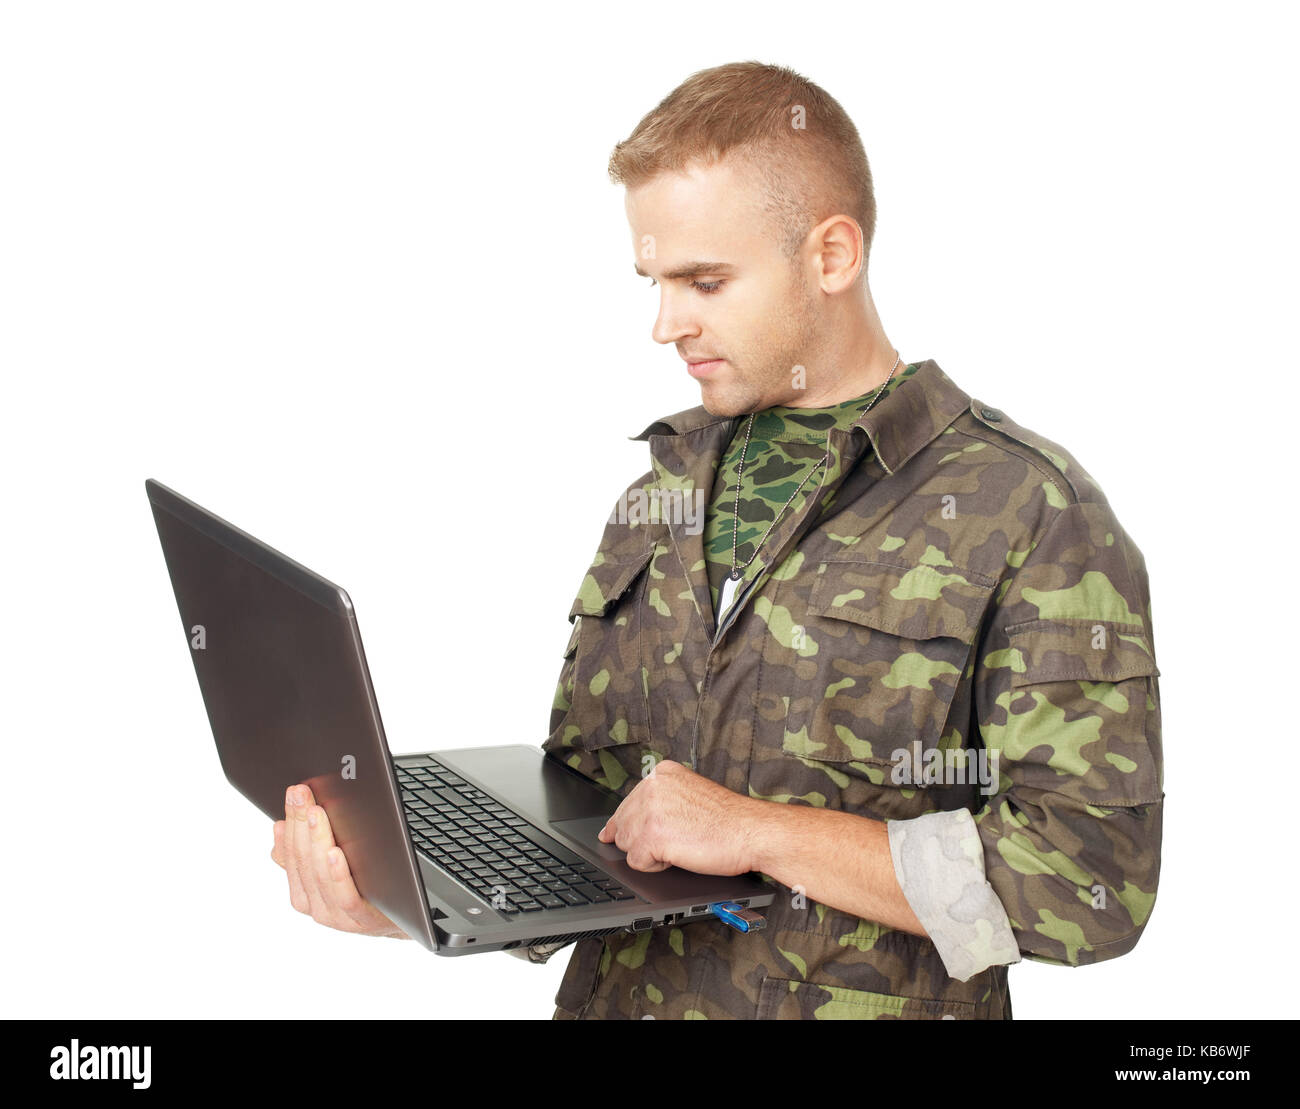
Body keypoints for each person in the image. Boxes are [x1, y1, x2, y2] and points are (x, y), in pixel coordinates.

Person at [272, 61, 1164, 1020]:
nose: (665, 323)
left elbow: (1088, 884)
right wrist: (421, 897)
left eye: (705, 280)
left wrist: (762, 832)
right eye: (655, 281)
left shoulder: (1028, 508)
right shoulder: (662, 494)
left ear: (832, 256)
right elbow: (604, 828)